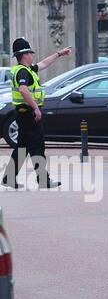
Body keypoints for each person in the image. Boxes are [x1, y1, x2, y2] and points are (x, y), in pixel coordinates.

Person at [3, 38, 72, 189]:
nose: (32, 55)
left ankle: (9, 177)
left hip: (23, 113)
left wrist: (59, 54)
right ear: (25, 54)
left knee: (23, 147)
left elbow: (44, 64)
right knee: (37, 146)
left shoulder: (25, 69)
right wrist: (35, 108)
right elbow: (23, 89)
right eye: (30, 53)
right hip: (28, 114)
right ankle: (43, 180)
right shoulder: (22, 71)